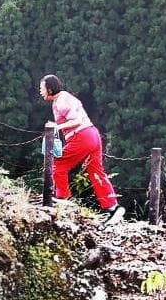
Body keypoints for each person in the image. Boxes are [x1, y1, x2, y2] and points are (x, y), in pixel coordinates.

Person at [39, 74, 124, 224]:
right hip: (93, 134)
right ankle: (113, 208)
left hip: (82, 136)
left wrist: (56, 127)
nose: (41, 91)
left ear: (50, 89)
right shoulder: (65, 97)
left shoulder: (61, 101)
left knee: (58, 165)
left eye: (42, 88)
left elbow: (76, 120)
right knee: (96, 172)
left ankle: (63, 200)